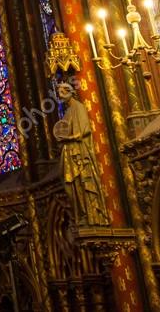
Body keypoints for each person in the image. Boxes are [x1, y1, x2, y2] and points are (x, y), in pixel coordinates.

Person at [53, 82, 110, 227]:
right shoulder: (68, 111)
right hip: (69, 151)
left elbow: (84, 131)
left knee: (81, 181)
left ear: (69, 91)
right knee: (68, 184)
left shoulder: (78, 107)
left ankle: (91, 215)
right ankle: (81, 214)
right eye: (58, 91)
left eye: (61, 91)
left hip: (79, 151)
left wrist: (70, 138)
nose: (59, 94)